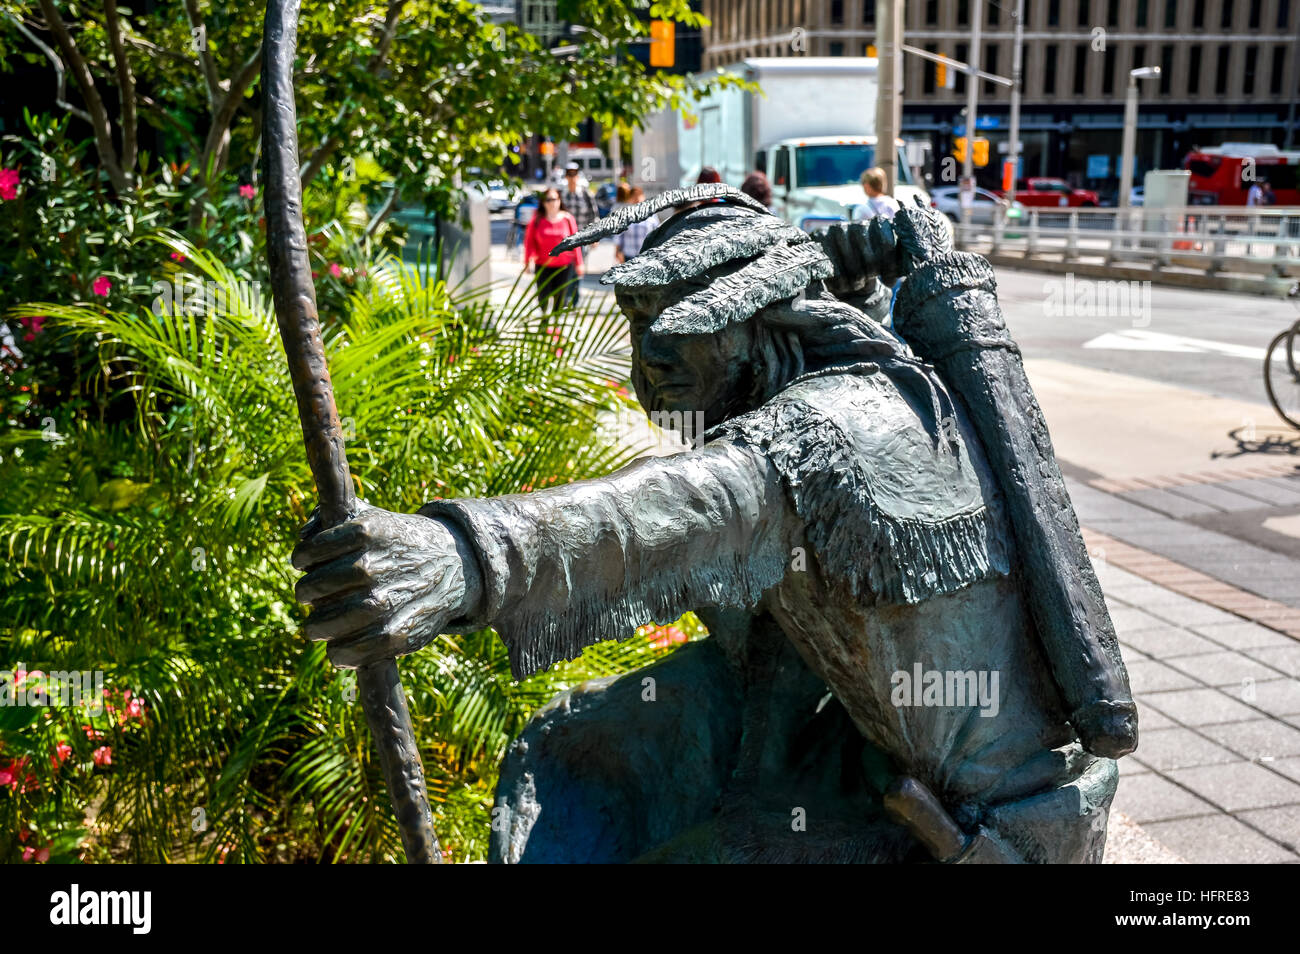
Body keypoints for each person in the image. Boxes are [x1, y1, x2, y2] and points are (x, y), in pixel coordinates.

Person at [294, 185, 1136, 864]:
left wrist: (461, 557)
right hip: (881, 754)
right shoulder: (870, 380)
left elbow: (650, 519)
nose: (642, 380)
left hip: (980, 833)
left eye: (666, 349)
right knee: (582, 743)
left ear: (747, 326)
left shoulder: (823, 434)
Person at [522, 188, 583, 312]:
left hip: (564, 266)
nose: (552, 203)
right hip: (543, 265)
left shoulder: (567, 219)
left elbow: (575, 242)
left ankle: (555, 325)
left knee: (560, 297)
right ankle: (544, 323)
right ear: (544, 203)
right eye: (548, 200)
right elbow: (529, 242)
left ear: (559, 201)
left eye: (554, 199)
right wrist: (527, 262)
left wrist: (579, 263)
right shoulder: (537, 220)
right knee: (543, 296)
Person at [613, 187, 658, 263]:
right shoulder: (625, 215)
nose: (637, 199)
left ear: (643, 198)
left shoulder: (651, 214)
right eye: (634, 196)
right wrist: (617, 252)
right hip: (629, 256)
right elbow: (619, 236)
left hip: (646, 257)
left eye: (639, 196)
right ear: (630, 199)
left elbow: (657, 233)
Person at [561, 162, 599, 230]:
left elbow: (594, 217)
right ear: (566, 176)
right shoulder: (561, 196)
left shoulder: (586, 194)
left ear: (578, 176)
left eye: (574, 174)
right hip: (566, 236)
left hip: (583, 236)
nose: (572, 177)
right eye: (569, 174)